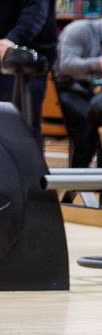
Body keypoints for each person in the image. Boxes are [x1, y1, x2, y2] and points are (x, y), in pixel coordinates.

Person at [54, 18, 102, 200]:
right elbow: (66, 64)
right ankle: (74, 187)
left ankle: (95, 184)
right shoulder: (79, 30)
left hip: (91, 94)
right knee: (90, 122)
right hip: (64, 91)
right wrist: (97, 64)